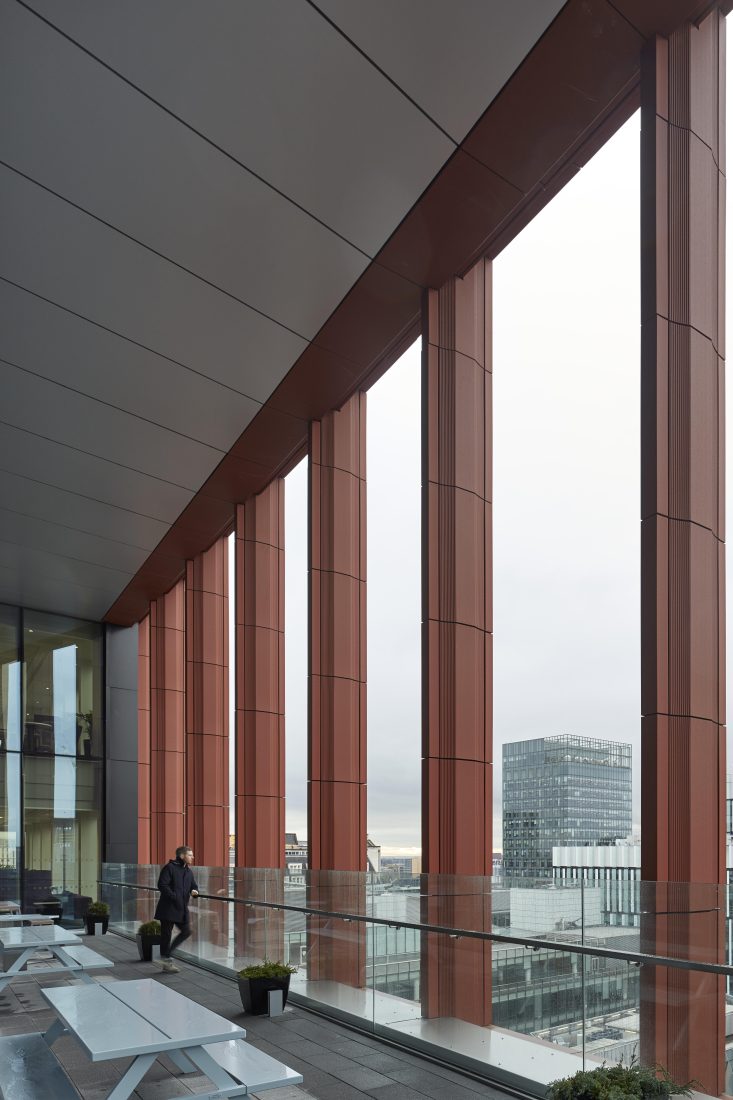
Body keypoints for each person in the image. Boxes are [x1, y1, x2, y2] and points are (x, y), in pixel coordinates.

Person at [154, 845, 199, 973]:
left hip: (181, 909)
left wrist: (195, 891)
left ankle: (165, 956)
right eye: (190, 855)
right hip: (168, 908)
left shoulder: (188, 871)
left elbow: (193, 886)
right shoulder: (169, 868)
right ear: (182, 856)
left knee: (186, 931)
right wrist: (174, 897)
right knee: (166, 936)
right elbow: (162, 885)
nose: (192, 857)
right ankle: (166, 964)